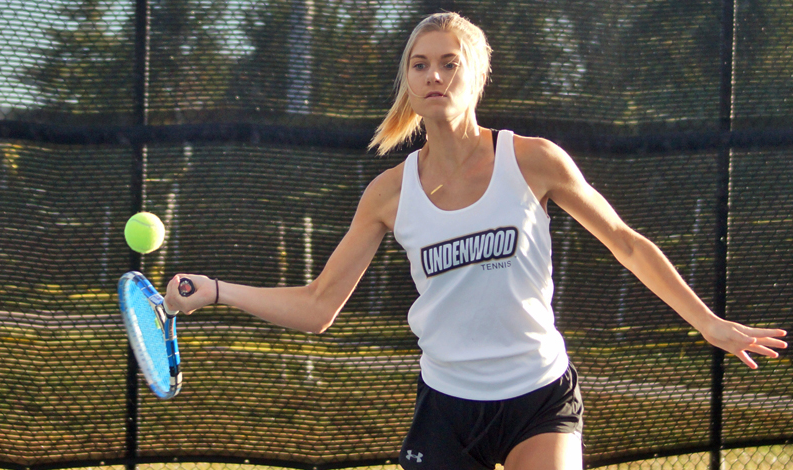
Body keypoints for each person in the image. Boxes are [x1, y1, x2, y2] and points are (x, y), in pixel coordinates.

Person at [164, 12, 787, 470]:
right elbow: (319, 306)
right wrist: (217, 291)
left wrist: (707, 322)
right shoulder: (387, 192)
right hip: (447, 407)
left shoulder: (534, 159)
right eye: (420, 64)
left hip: (538, 395)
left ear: (476, 75)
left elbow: (625, 242)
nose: (434, 75)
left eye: (449, 62)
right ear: (407, 82)